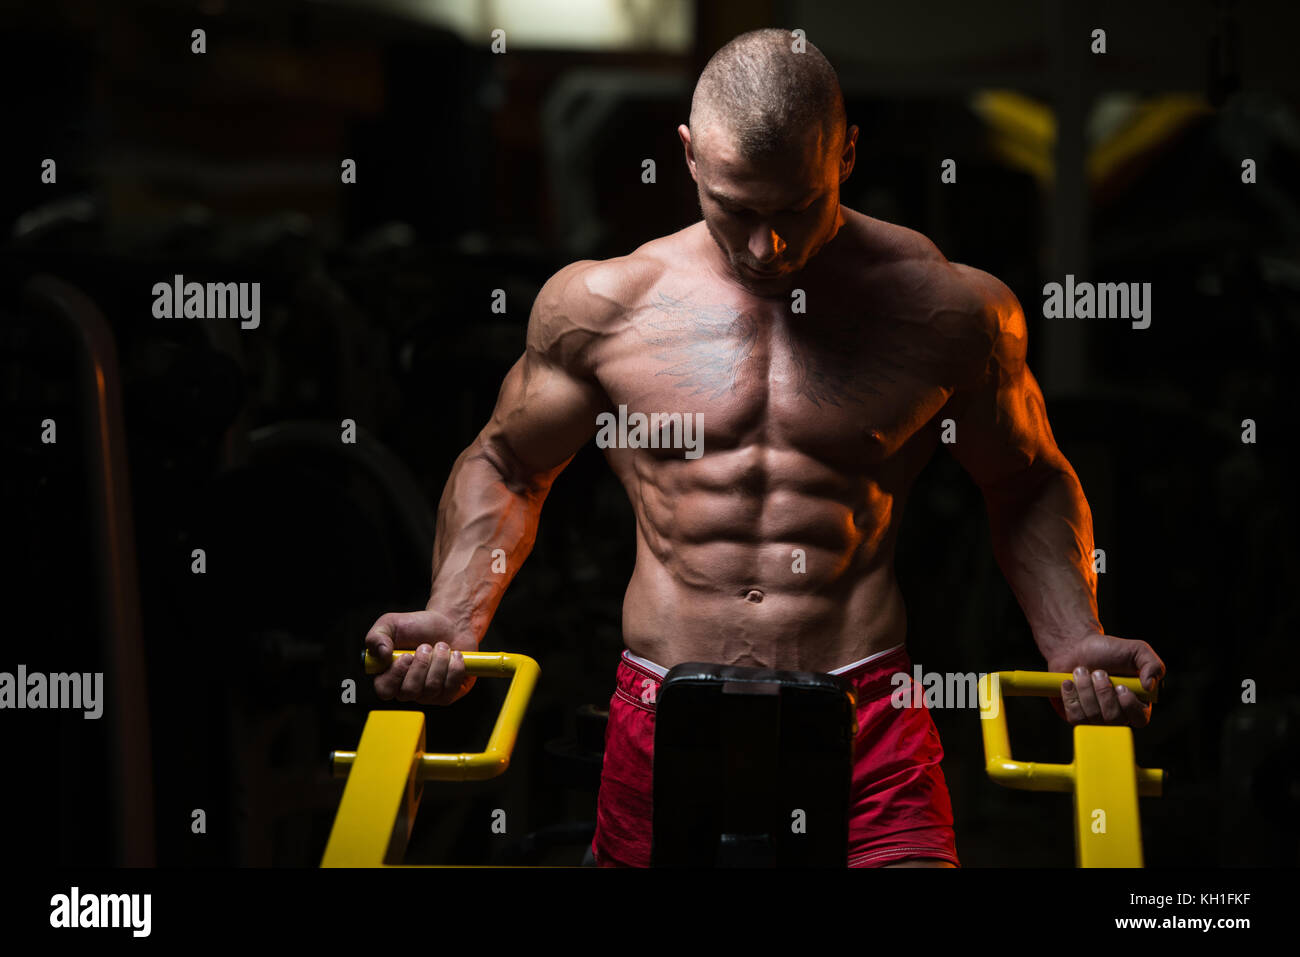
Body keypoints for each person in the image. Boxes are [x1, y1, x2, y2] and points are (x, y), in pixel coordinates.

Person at [364, 27, 1166, 867]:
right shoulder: (603, 309)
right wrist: (454, 618)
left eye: (795, 209)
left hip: (867, 713)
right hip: (664, 709)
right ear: (688, 159)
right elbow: (508, 462)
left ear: (847, 155)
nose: (766, 248)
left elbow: (1027, 481)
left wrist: (1074, 638)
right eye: (736, 210)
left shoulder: (950, 313)